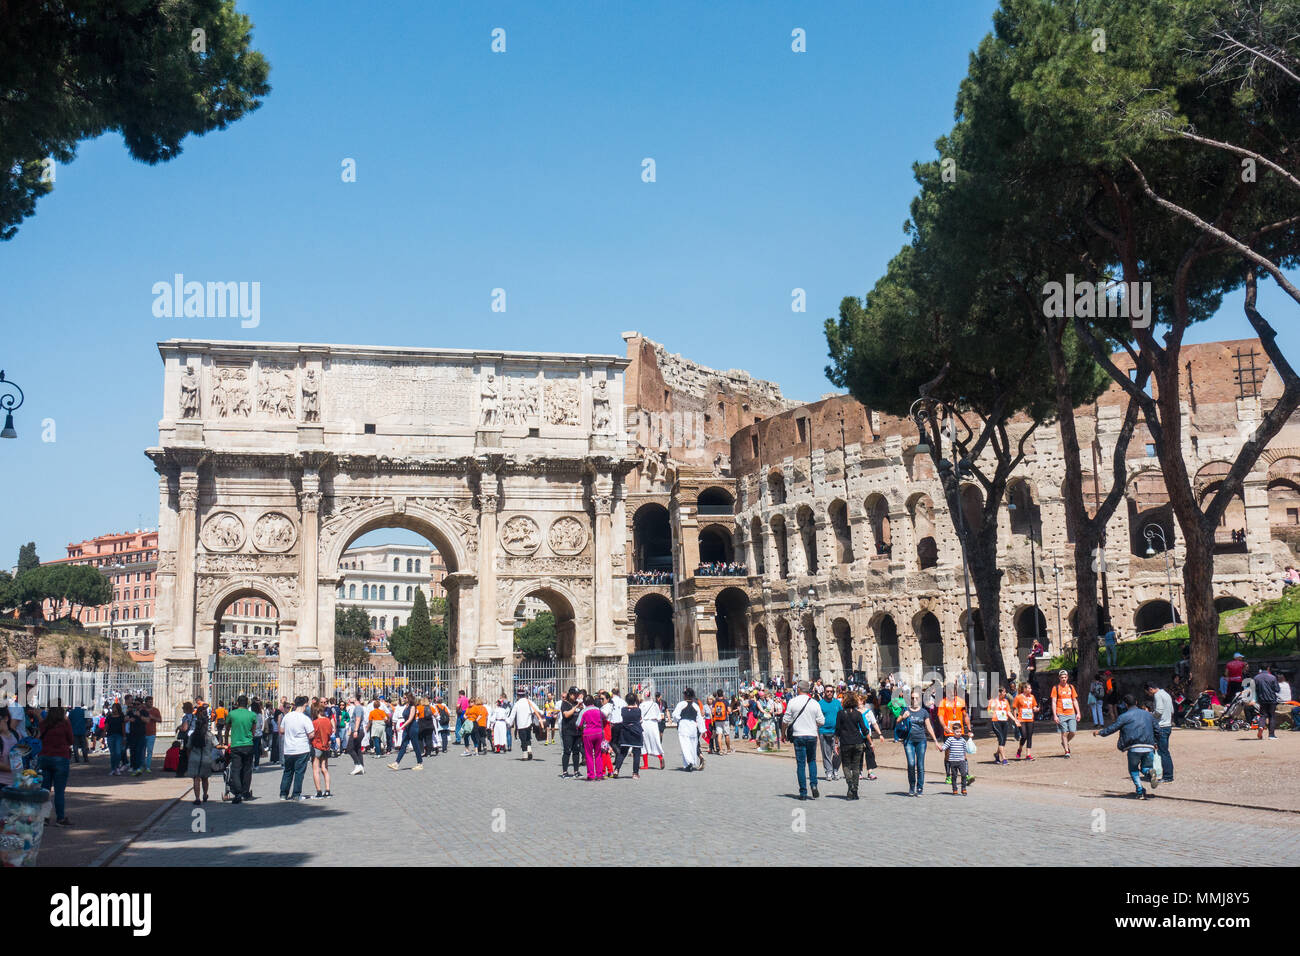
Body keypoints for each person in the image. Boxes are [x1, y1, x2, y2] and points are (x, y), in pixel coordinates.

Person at [1094, 695, 1159, 800]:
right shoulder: (1148, 715)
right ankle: (1149, 773)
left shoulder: (1124, 716)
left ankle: (1140, 791)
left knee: (1133, 769)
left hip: (1134, 747)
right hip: (1149, 746)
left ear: (1125, 704)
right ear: (1137, 702)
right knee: (1145, 767)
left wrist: (1100, 732)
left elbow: (1112, 728)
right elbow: (1157, 729)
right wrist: (1155, 742)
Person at [781, 680, 825, 799]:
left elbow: (785, 720)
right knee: (812, 761)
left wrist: (783, 733)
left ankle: (803, 792)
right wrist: (813, 723)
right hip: (811, 735)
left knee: (801, 764)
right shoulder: (815, 703)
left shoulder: (793, 702)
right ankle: (814, 785)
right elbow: (822, 721)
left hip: (798, 735)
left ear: (798, 689)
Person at [898, 689, 940, 796]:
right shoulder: (905, 710)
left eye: (917, 698)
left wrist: (935, 740)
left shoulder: (924, 712)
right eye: (912, 698)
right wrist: (903, 717)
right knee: (911, 764)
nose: (914, 700)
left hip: (921, 741)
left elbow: (928, 726)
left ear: (920, 699)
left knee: (920, 765)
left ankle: (920, 787)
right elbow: (897, 721)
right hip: (909, 741)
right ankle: (912, 786)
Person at [37, 706, 74, 827]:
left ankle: (44, 817)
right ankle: (60, 817)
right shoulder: (65, 723)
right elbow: (71, 740)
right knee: (59, 790)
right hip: (61, 757)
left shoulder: (43, 724)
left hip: (44, 757)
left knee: (45, 790)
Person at [833, 692, 870, 799]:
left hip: (845, 742)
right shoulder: (858, 713)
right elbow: (864, 729)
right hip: (858, 742)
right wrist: (870, 742)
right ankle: (855, 790)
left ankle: (850, 786)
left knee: (846, 766)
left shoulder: (840, 713)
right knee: (856, 767)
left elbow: (837, 730)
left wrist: (836, 743)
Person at [279, 696, 315, 801]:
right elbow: (311, 734)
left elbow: (281, 730)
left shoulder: (287, 716)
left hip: (289, 749)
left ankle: (283, 794)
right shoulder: (305, 718)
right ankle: (296, 794)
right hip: (302, 749)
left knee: (288, 772)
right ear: (304, 705)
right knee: (299, 772)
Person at [226, 694, 258, 804]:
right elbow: (253, 731)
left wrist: (226, 742)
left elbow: (227, 729)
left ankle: (238, 793)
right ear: (247, 703)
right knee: (247, 769)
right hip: (248, 744)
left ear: (237, 703)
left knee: (236, 769)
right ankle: (245, 791)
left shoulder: (231, 714)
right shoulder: (252, 715)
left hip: (235, 745)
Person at [1144, 680, 1175, 781]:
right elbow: (1172, 710)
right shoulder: (1166, 694)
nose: (1149, 695)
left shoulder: (1157, 695)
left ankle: (1168, 776)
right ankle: (1167, 774)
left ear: (1151, 689)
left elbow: (1159, 711)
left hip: (1161, 726)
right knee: (1164, 751)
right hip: (1168, 725)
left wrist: (1150, 715)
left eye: (1148, 693)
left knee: (1163, 752)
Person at [673, 687, 709, 772]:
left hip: (684, 725)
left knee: (685, 745)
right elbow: (700, 719)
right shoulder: (695, 705)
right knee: (692, 745)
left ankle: (689, 762)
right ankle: (690, 762)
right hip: (693, 726)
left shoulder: (681, 704)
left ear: (685, 695)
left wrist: (677, 720)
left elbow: (675, 715)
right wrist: (703, 730)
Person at [187, 704, 216, 805]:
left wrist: (189, 756)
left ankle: (197, 798)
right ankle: (205, 794)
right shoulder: (209, 735)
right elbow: (216, 745)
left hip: (194, 758)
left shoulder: (193, 735)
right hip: (206, 758)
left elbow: (188, 747)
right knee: (205, 778)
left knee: (196, 778)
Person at [389, 694, 426, 770]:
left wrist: (401, 726)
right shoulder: (406, 706)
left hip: (412, 727)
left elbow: (410, 719)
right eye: (403, 697)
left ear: (409, 698)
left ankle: (420, 763)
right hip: (407, 728)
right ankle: (396, 763)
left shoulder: (412, 707)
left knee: (415, 745)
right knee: (403, 745)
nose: (403, 698)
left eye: (405, 697)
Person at [1051, 670, 1081, 758]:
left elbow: (1075, 700)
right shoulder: (1055, 688)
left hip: (1071, 713)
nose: (1063, 679)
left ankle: (1064, 743)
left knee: (1072, 731)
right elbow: (1053, 702)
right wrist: (1055, 715)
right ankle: (1067, 751)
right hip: (1060, 713)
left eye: (1065, 677)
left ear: (1067, 678)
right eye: (1062, 677)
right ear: (1059, 678)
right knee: (1064, 733)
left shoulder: (1071, 687)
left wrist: (1078, 713)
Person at [613, 692, 644, 778]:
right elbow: (639, 718)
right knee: (637, 753)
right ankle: (635, 773)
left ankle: (616, 769)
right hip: (636, 732)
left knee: (623, 752)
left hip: (625, 732)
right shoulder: (638, 710)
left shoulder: (623, 709)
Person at [508, 689, 543, 760]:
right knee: (528, 737)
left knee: (523, 740)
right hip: (528, 724)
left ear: (518, 696)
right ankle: (529, 749)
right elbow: (537, 710)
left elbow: (512, 716)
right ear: (525, 695)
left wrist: (509, 723)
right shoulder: (529, 702)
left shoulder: (517, 704)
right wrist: (542, 713)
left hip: (521, 725)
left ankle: (525, 754)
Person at [817, 684, 842, 782]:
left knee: (838, 753)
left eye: (831, 691)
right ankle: (829, 771)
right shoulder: (820, 704)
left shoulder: (837, 703)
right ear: (824, 692)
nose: (829, 693)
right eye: (827, 691)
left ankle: (835, 769)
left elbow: (841, 715)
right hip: (824, 731)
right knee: (826, 754)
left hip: (836, 733)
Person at [579, 693, 606, 780]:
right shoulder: (598, 709)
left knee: (589, 754)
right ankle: (599, 774)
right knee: (598, 754)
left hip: (588, 733)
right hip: (598, 733)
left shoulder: (584, 711)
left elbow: (578, 724)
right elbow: (604, 717)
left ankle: (591, 775)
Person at [310, 703, 336, 794]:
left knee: (315, 769)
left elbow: (311, 735)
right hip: (326, 746)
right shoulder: (328, 721)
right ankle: (328, 789)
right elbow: (330, 732)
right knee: (324, 768)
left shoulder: (315, 722)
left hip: (317, 745)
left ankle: (319, 791)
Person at [940, 720, 970, 796]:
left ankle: (963, 789)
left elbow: (965, 749)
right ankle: (955, 789)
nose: (959, 733)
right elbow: (945, 746)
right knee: (954, 776)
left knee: (963, 774)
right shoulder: (950, 739)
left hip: (961, 761)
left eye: (960, 732)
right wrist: (941, 748)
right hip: (952, 761)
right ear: (953, 732)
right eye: (957, 732)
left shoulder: (963, 740)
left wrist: (965, 757)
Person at [559, 687, 583, 777]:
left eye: (577, 694)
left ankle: (576, 771)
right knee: (567, 751)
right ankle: (565, 772)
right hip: (568, 731)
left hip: (577, 731)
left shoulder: (578, 703)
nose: (576, 696)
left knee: (576, 752)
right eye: (575, 694)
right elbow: (566, 714)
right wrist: (576, 707)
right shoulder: (565, 703)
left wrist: (581, 708)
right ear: (571, 694)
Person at [1254, 664, 1281, 741]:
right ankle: (1271, 735)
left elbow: (1254, 689)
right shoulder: (1272, 677)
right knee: (1271, 716)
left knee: (1262, 715)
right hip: (1272, 699)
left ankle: (1261, 726)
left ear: (1260, 669)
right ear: (1268, 668)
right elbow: (1277, 689)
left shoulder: (1256, 677)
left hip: (1262, 699)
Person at [988, 686, 1013, 766]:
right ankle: (1004, 759)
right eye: (1004, 692)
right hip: (996, 721)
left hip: (1004, 721)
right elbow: (989, 712)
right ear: (999, 693)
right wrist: (993, 709)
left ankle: (996, 754)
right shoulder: (992, 701)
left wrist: (1014, 719)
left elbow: (1008, 712)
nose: (1005, 693)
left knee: (1003, 741)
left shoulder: (1006, 701)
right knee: (1001, 739)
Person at [1012, 682, 1037, 760]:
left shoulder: (1032, 697)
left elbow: (1034, 706)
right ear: (1025, 689)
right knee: (1024, 736)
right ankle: (1020, 749)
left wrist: (1036, 709)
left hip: (1030, 719)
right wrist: (1015, 719)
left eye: (1031, 688)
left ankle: (1028, 754)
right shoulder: (1018, 697)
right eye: (1029, 688)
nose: (1031, 689)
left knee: (1029, 736)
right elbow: (1014, 708)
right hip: (1021, 719)